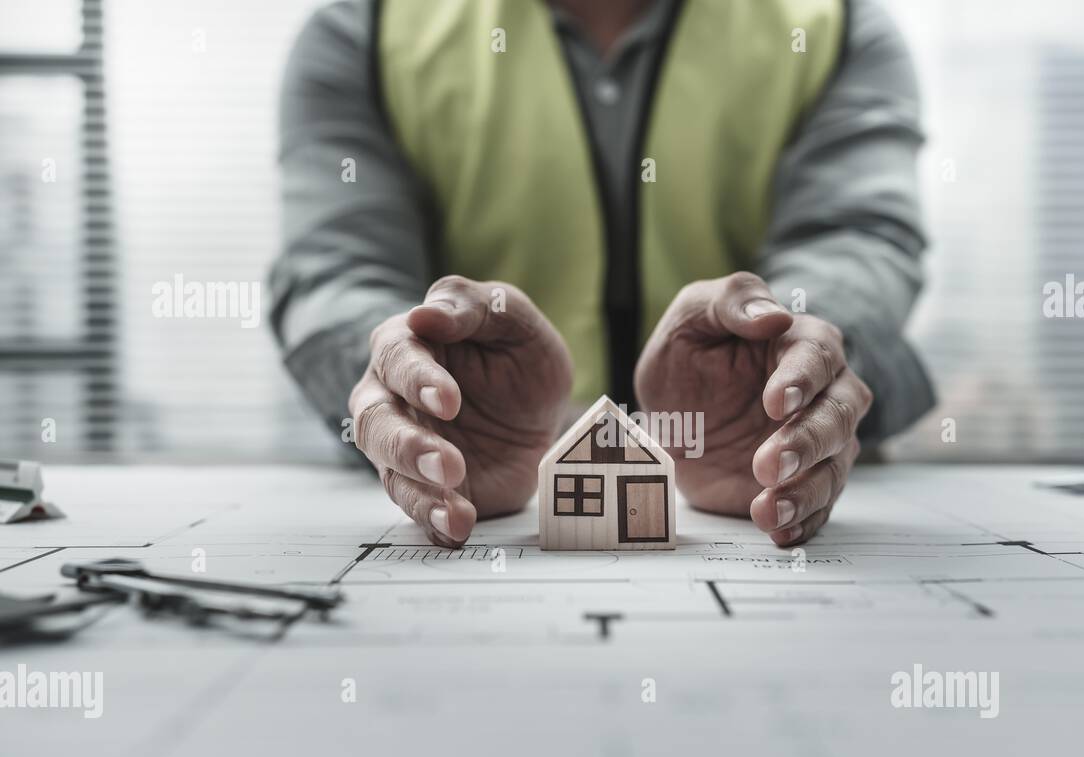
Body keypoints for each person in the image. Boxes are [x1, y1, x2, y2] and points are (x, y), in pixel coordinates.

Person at [269, 0, 934, 548]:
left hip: (752, 491)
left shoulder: (834, 28)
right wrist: (414, 382)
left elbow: (859, 239)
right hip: (473, 491)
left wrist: (787, 374)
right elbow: (336, 270)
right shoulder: (363, 32)